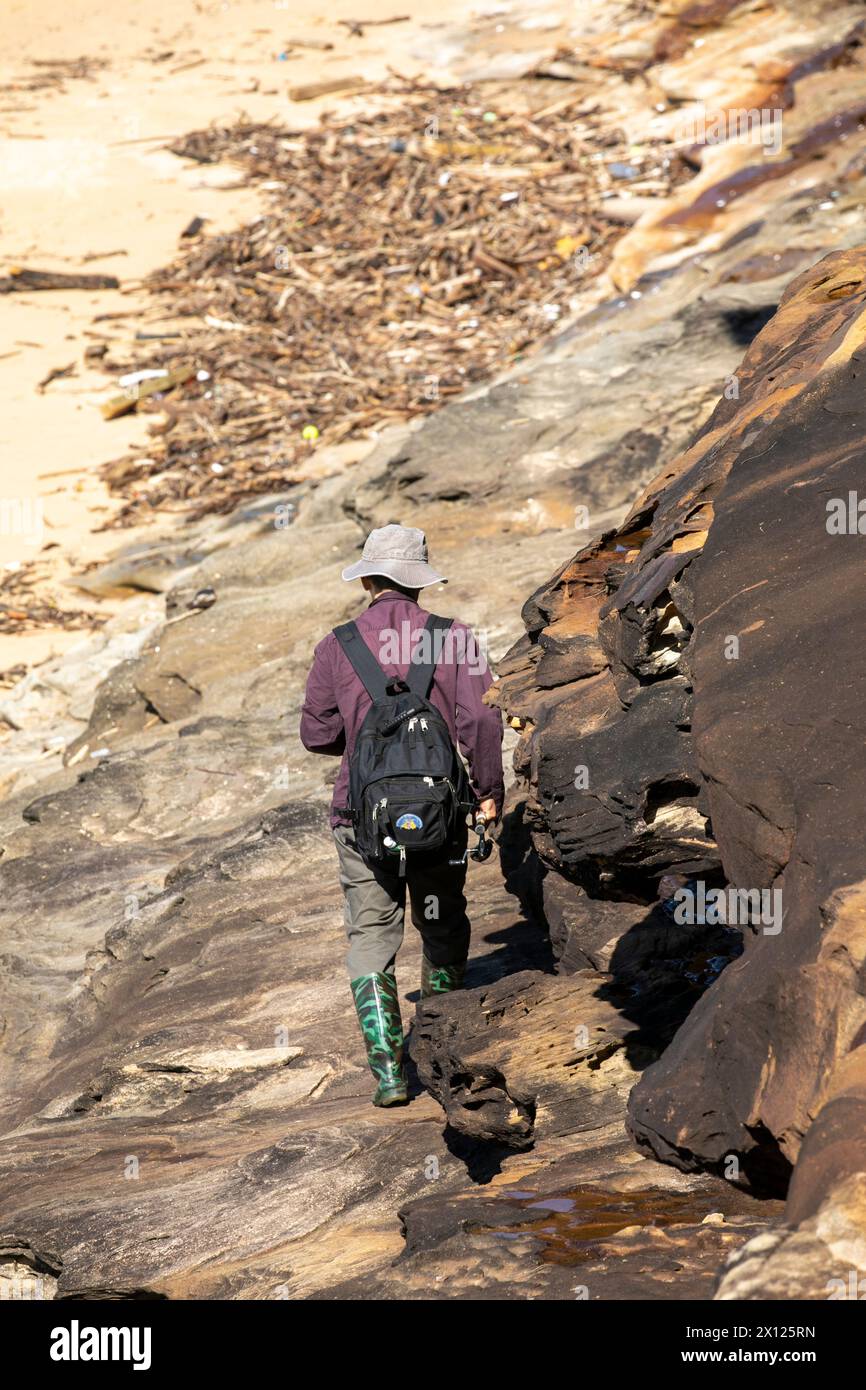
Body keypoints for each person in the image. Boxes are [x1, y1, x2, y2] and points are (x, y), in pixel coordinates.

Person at [300, 524, 504, 1106]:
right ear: (420, 581)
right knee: (441, 921)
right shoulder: (455, 637)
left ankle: (390, 1072)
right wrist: (488, 790)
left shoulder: (337, 644)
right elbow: (483, 723)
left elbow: (316, 734)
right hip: (438, 817)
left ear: (367, 578)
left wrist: (369, 741)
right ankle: (443, 1048)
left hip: (360, 817)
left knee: (370, 934)